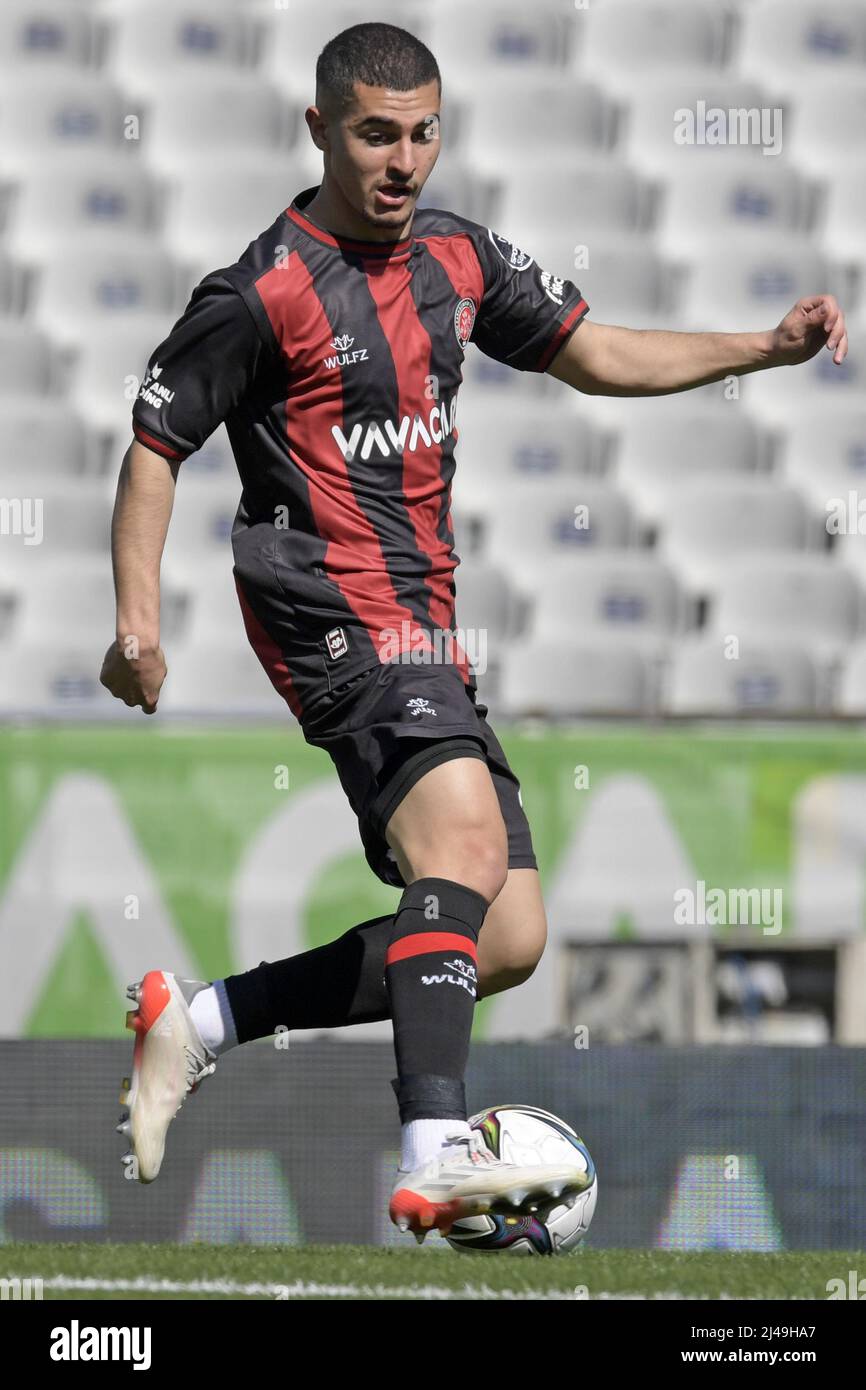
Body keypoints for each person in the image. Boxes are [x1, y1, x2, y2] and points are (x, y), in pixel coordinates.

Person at [101, 22, 848, 1240]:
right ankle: (437, 1149)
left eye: (423, 133)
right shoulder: (259, 292)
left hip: (426, 624)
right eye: (376, 135)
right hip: (329, 607)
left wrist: (758, 348)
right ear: (319, 131)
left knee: (500, 932)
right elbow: (154, 444)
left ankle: (198, 1023)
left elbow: (594, 351)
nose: (404, 161)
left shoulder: (458, 256)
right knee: (458, 837)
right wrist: (138, 625)